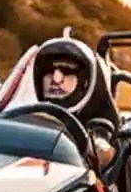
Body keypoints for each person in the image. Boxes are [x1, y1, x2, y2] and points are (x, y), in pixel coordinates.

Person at [28, 36, 120, 171]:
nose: (56, 79)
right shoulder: (25, 116)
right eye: (48, 71)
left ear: (86, 81)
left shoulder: (100, 123)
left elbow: (103, 152)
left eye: (67, 71)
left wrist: (94, 147)